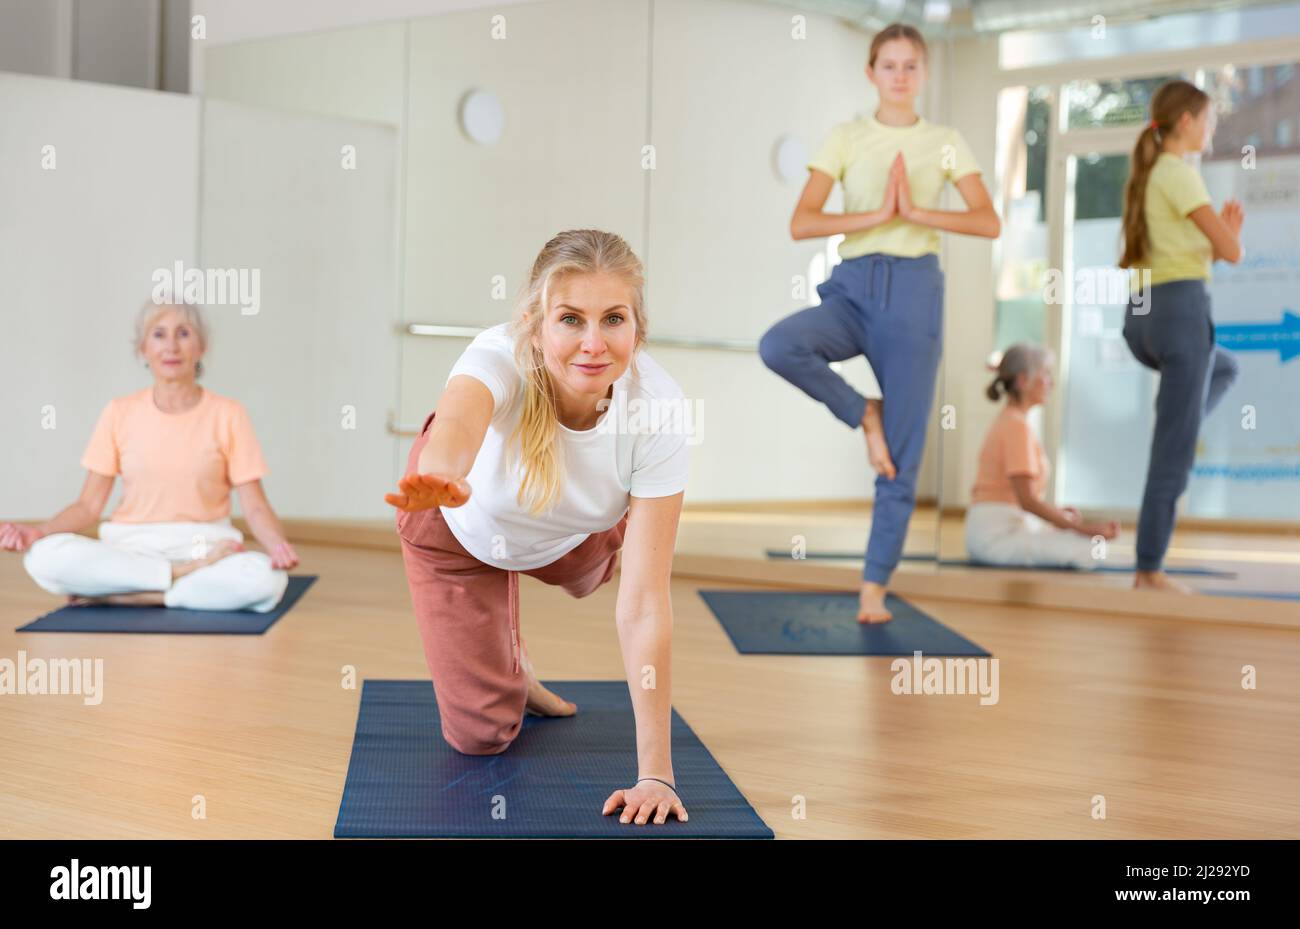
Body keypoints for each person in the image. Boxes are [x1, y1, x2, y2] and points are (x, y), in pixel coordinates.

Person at [386, 230, 691, 827]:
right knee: (482, 735)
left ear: (638, 328)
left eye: (614, 319)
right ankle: (510, 669)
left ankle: (510, 640)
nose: (593, 343)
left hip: (570, 537)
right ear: (534, 322)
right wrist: (442, 475)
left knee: (596, 577)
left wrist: (656, 772)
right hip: (461, 529)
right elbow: (457, 423)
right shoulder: (496, 357)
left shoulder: (659, 408)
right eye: (571, 319)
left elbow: (645, 601)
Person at [758, 22, 1000, 622]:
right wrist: (877, 215)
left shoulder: (945, 141)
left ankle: (873, 584)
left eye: (910, 66)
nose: (899, 76)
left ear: (924, 73)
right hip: (853, 287)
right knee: (780, 344)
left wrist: (916, 211)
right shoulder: (846, 136)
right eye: (888, 66)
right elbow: (803, 221)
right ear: (871, 73)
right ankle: (861, 410)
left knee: (902, 449)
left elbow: (987, 221)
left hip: (915, 291)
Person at [1, 300, 298, 612]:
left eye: (183, 333)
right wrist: (39, 532)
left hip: (205, 547)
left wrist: (277, 545)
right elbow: (88, 506)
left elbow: (255, 506)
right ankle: (178, 579)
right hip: (131, 548)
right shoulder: (119, 412)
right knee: (43, 556)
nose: (171, 346)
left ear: (201, 347)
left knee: (266, 578)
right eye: (159, 334)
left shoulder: (228, 414)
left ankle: (133, 594)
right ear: (143, 348)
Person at [1118, 79, 1243, 593]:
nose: (1211, 128)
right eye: (1209, 118)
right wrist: (1231, 232)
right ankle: (1149, 569)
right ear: (1187, 121)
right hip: (1179, 312)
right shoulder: (1180, 174)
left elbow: (1195, 253)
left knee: (1226, 368)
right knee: (1171, 448)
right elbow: (1230, 253)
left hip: (1143, 315)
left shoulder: (1150, 176)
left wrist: (1221, 241)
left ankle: (1182, 428)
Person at [965, 344, 1119, 568]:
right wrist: (1084, 529)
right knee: (1094, 549)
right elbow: (1027, 501)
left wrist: (1060, 516)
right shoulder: (1016, 427)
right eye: (1045, 374)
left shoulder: (1014, 421)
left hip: (1007, 525)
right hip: (996, 536)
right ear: (1022, 381)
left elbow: (1025, 500)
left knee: (1083, 541)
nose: (1051, 383)